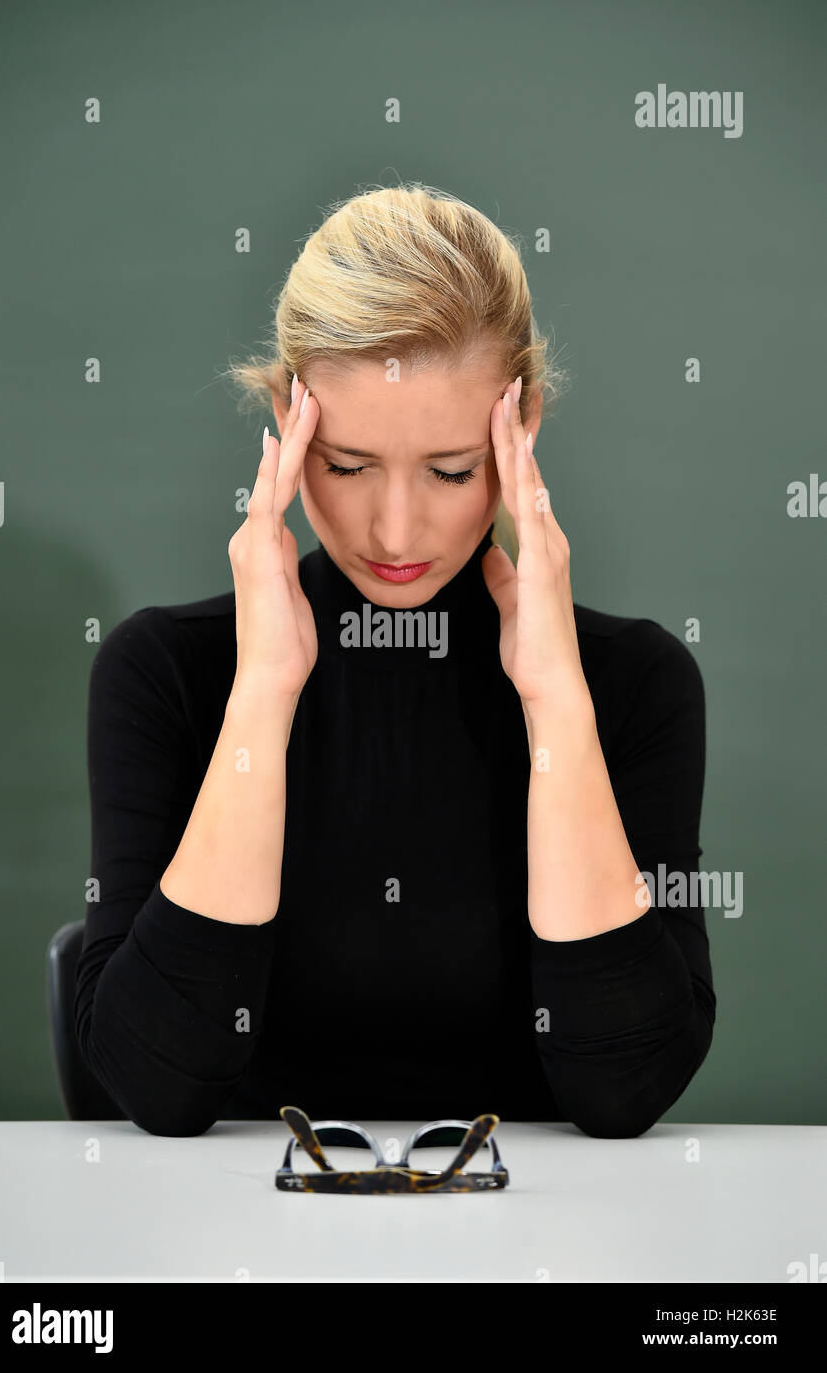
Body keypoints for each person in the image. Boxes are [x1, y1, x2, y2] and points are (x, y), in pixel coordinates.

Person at [76, 182, 715, 1138]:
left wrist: (554, 701)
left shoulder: (632, 680)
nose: (397, 528)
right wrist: (263, 693)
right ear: (287, 427)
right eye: (346, 465)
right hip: (238, 1236)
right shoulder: (167, 670)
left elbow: (623, 1092)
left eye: (453, 471)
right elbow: (155, 1087)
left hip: (547, 1239)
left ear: (522, 426)